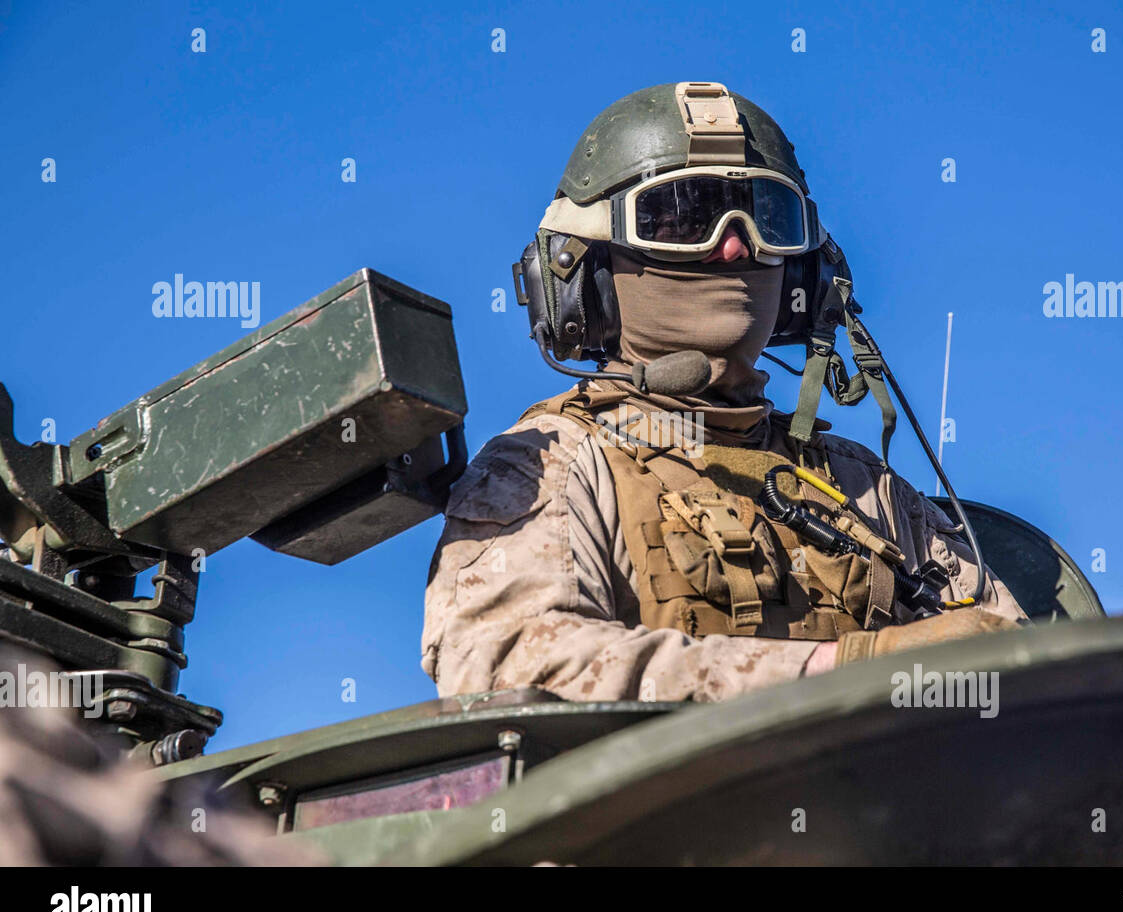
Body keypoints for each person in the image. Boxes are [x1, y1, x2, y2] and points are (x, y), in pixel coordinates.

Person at [422, 82, 1025, 703]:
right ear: (587, 277)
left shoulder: (862, 485)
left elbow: (1028, 670)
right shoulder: (552, 461)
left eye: (767, 218)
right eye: (682, 217)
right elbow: (506, 662)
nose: (735, 245)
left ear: (805, 273)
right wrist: (832, 672)